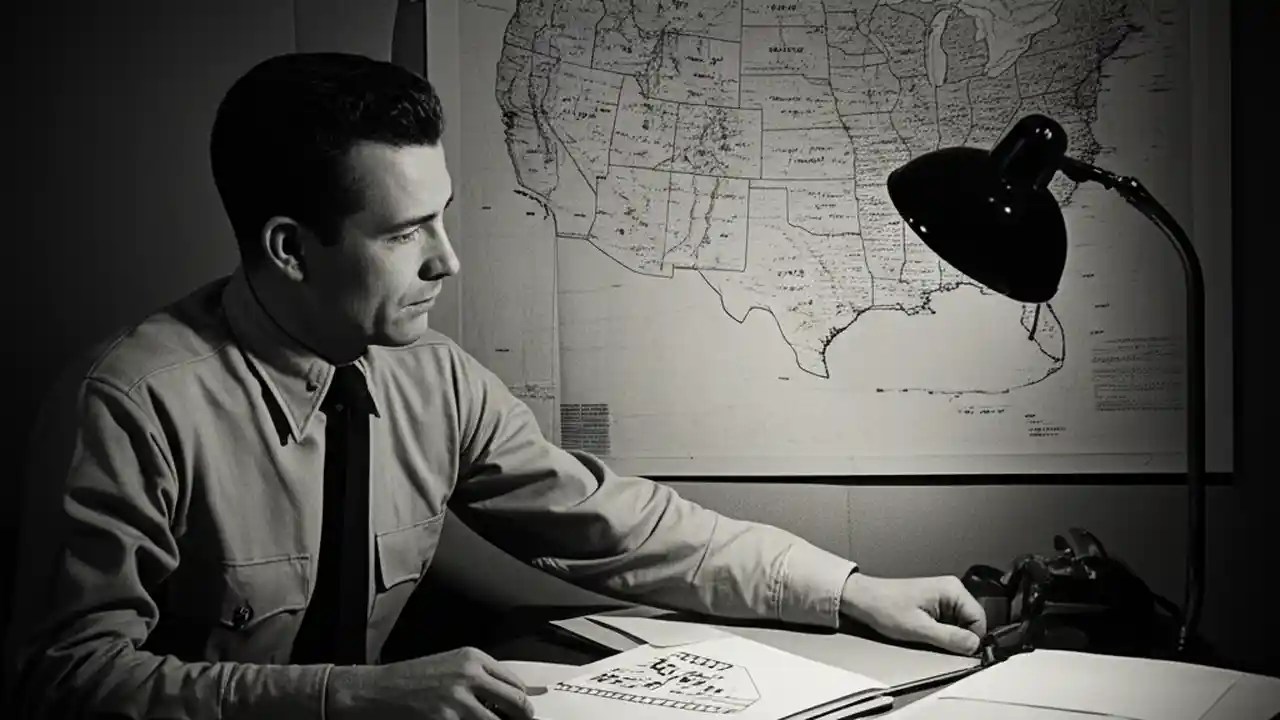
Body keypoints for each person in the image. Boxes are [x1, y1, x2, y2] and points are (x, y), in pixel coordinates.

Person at [3, 52, 987, 719]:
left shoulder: (432, 382)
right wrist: (344, 698)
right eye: (403, 235)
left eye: (441, 218)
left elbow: (622, 527)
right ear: (290, 250)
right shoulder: (131, 403)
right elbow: (66, 677)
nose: (448, 261)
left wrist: (854, 591)